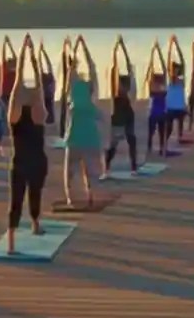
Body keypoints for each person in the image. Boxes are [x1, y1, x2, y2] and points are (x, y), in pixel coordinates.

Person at [6, 36, 48, 254]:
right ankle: (35, 224)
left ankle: (12, 242)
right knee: (34, 196)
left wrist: (23, 54)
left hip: (21, 163)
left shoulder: (13, 118)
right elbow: (38, 84)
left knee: (17, 201)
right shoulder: (39, 114)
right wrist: (32, 56)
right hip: (36, 162)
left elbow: (17, 86)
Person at [63, 39, 102, 207]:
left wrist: (82, 48)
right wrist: (78, 49)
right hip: (80, 135)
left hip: (81, 135)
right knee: (74, 168)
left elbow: (91, 69)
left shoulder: (83, 91)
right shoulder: (74, 90)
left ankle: (85, 196)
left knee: (82, 169)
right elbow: (73, 72)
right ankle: (73, 197)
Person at [103, 37, 139, 177]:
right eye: (121, 86)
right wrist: (116, 50)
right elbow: (115, 69)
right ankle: (106, 167)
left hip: (128, 116)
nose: (122, 88)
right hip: (117, 117)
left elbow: (129, 68)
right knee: (113, 145)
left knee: (132, 140)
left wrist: (123, 48)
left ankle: (133, 168)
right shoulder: (115, 93)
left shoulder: (127, 94)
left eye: (124, 86)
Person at [145, 46, 169, 157]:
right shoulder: (160, 87)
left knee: (155, 133)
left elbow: (163, 70)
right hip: (158, 113)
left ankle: (156, 148)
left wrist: (154, 52)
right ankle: (158, 149)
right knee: (157, 133)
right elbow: (163, 70)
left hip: (156, 113)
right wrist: (156, 52)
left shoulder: (154, 87)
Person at [165, 37, 189, 144]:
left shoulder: (181, 78)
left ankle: (179, 138)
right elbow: (168, 60)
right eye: (173, 69)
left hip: (179, 107)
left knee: (180, 126)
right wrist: (171, 45)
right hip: (170, 107)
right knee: (169, 128)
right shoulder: (170, 78)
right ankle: (165, 141)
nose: (174, 71)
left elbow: (183, 62)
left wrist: (177, 45)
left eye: (176, 69)